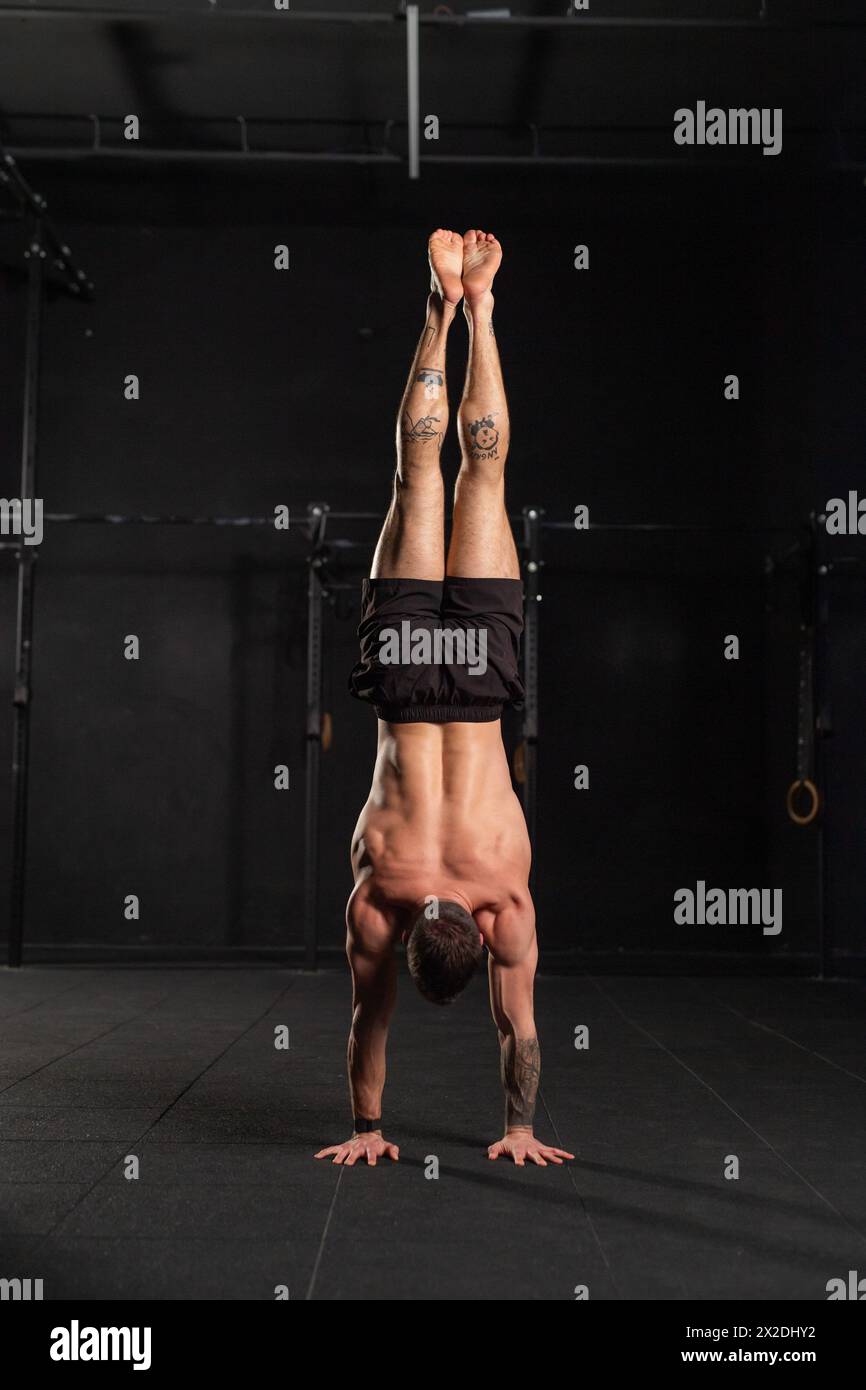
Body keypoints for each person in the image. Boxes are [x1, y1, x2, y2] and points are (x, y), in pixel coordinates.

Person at [315, 230, 573, 1169]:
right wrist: (367, 1129)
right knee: (416, 476)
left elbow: (522, 1032)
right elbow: (365, 1025)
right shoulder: (382, 897)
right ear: (426, 929)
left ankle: (484, 311)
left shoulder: (506, 897)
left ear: (466, 930)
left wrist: (521, 1125)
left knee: (485, 475)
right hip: (403, 676)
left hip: (479, 684)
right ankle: (439, 309)